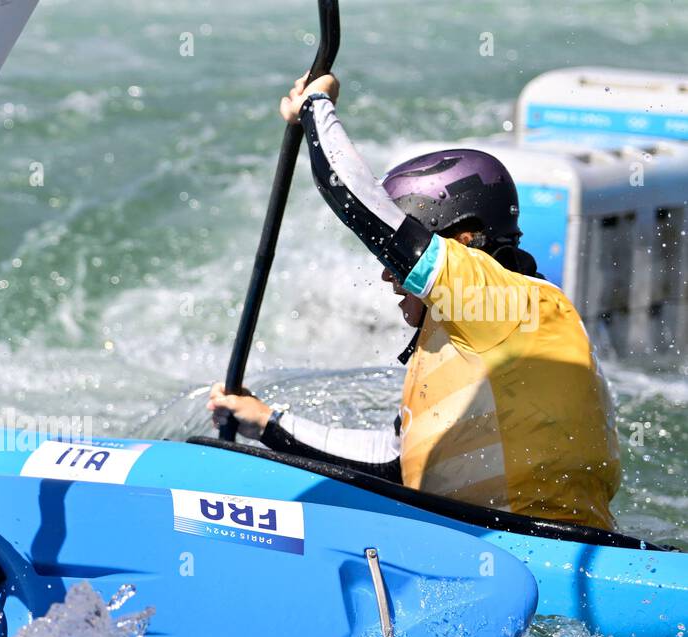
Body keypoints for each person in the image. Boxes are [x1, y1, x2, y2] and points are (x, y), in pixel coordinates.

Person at [210, 73, 622, 532]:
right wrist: (264, 422)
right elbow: (392, 464)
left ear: (465, 241)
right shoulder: (475, 338)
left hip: (547, 552)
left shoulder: (508, 302)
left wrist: (315, 107)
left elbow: (362, 207)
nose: (390, 275)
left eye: (400, 263)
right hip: (484, 544)